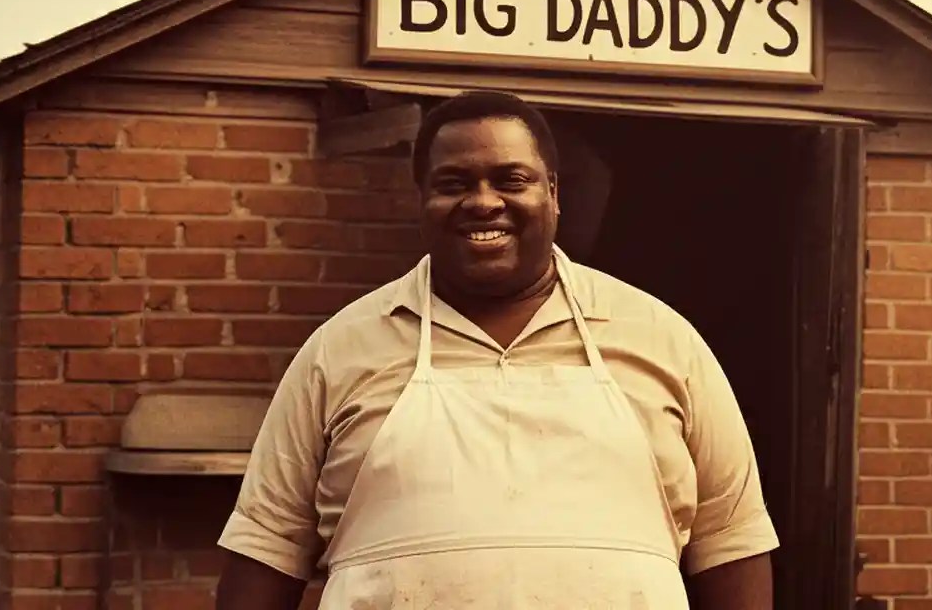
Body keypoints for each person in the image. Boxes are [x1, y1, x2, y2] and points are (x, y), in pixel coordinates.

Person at [215, 91, 779, 609]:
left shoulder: (662, 339)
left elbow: (732, 541)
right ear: (422, 199)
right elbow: (266, 547)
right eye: (453, 183)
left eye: (511, 179)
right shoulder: (339, 350)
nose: (483, 202)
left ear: (553, 194)